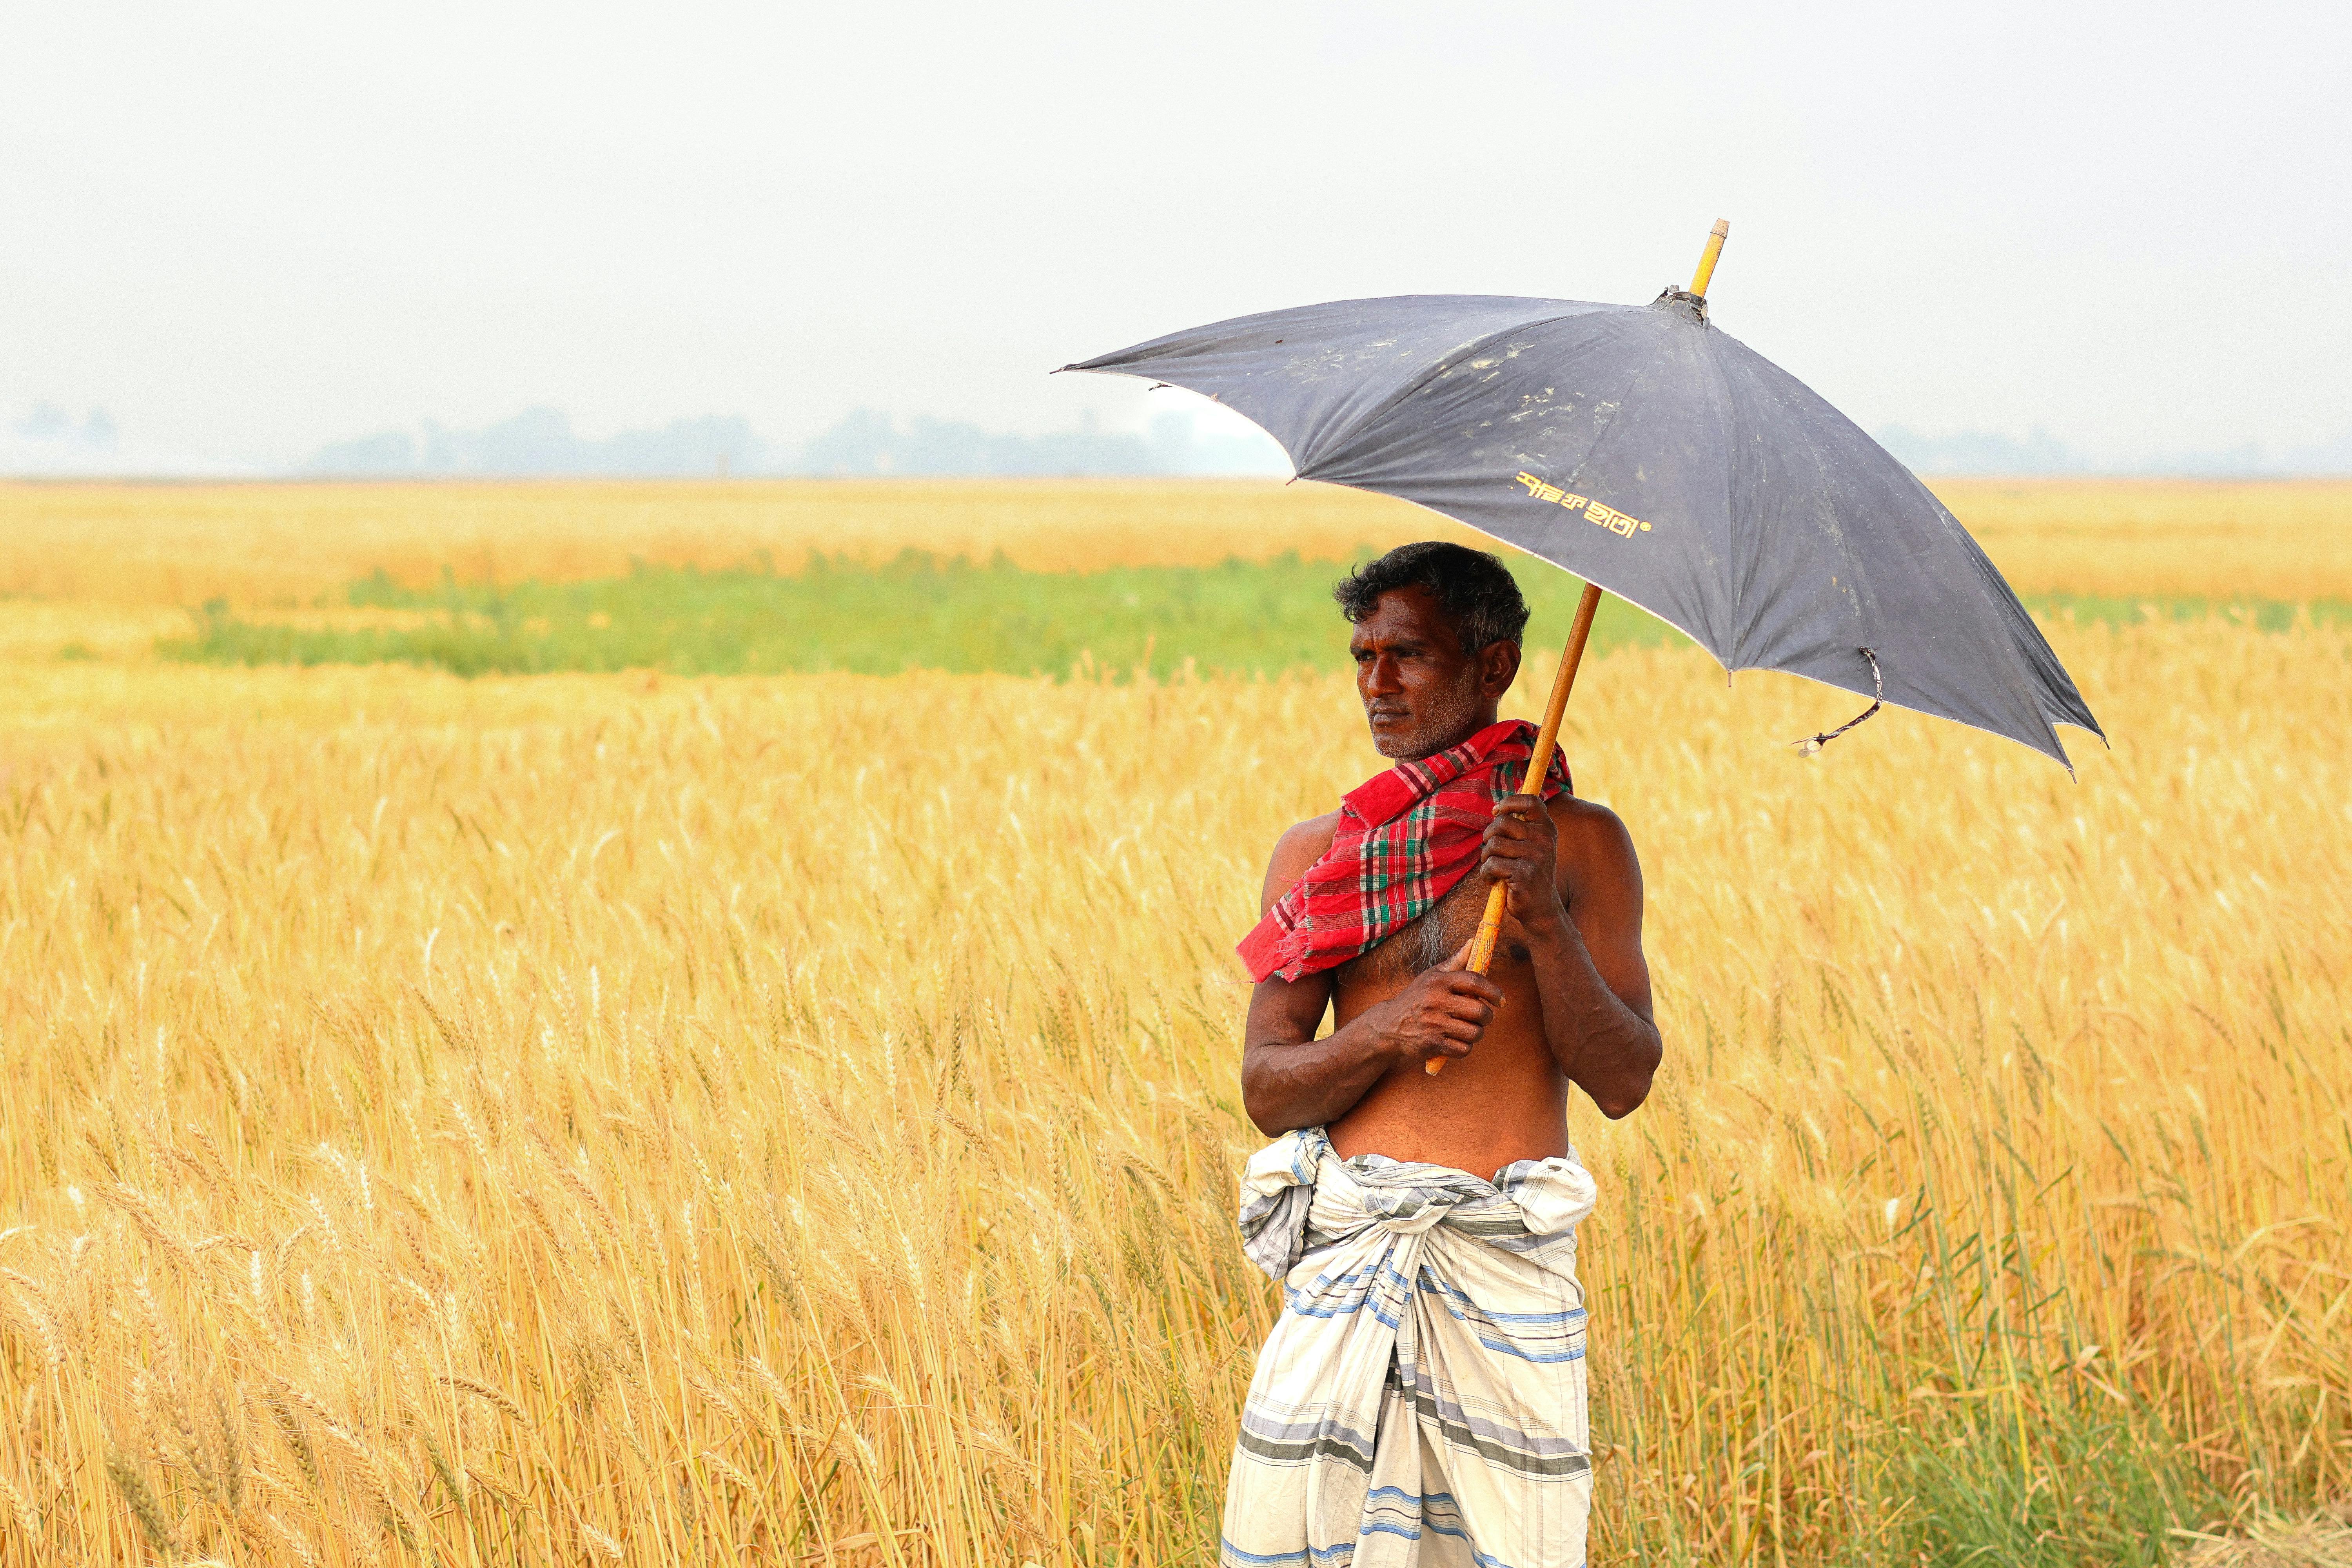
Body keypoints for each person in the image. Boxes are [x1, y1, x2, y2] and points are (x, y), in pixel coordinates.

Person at [1221, 540, 1662, 1568]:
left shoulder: (1581, 844)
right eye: (1363, 656)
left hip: (1504, 1276)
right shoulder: (1321, 853)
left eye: (1408, 655)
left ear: (1497, 665)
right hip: (1349, 1270)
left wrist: (1543, 913)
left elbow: (1625, 1080)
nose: (1377, 684)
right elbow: (1265, 1088)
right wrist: (1390, 1026)